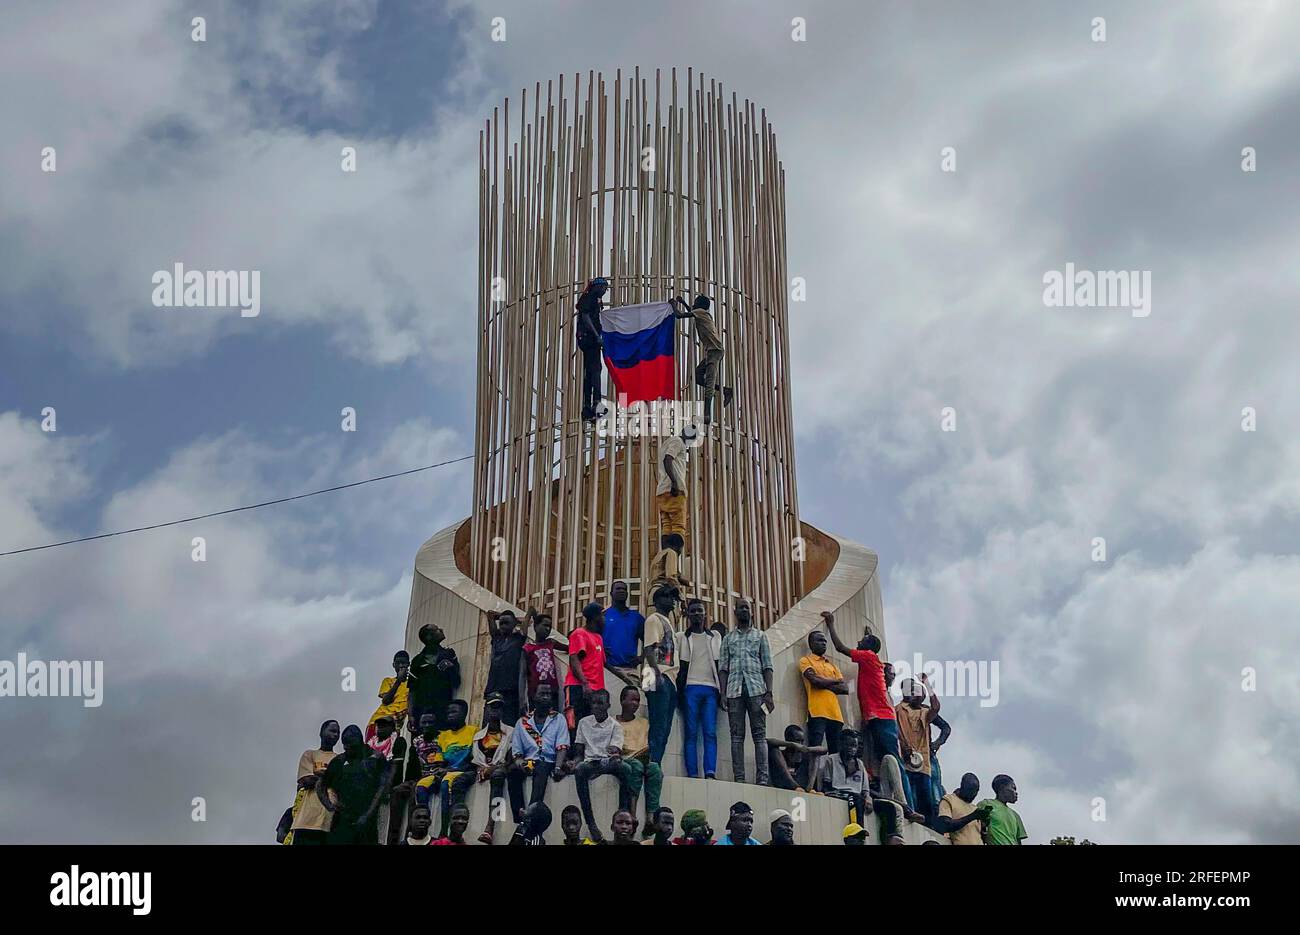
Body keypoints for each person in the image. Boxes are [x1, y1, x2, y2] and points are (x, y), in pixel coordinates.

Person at [821, 612, 899, 775]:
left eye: (861, 641)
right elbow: (870, 646)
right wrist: (868, 636)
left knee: (892, 759)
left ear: (868, 648)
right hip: (876, 717)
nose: (857, 642)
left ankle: (903, 795)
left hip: (882, 717)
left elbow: (839, 648)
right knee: (881, 758)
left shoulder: (869, 657)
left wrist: (831, 624)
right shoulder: (871, 658)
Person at [718, 598, 774, 785]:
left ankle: (762, 779)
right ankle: (739, 778)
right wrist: (723, 693)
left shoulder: (760, 636)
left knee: (759, 735)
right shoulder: (728, 639)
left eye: (746, 608)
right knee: (736, 736)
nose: (743, 611)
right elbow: (723, 668)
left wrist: (769, 692)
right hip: (734, 691)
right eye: (740, 608)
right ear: (735, 612)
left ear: (751, 612)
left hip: (757, 690)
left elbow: (768, 666)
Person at [565, 688, 626, 842]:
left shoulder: (615, 726)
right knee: (580, 769)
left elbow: (615, 751)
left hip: (608, 762)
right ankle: (591, 823)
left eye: (600, 703)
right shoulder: (584, 722)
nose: (596, 706)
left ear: (608, 705)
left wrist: (615, 755)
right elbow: (579, 754)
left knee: (626, 768)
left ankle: (623, 815)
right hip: (589, 763)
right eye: (594, 703)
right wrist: (574, 762)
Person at [317, 724, 391, 845]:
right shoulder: (339, 761)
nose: (347, 748)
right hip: (342, 821)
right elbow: (321, 784)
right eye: (344, 745)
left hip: (367, 821)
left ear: (360, 742)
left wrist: (367, 815)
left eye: (350, 745)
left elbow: (382, 788)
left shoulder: (376, 758)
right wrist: (329, 805)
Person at [507, 684, 570, 819]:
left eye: (549, 694)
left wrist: (558, 767)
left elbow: (562, 746)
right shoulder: (522, 722)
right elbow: (517, 753)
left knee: (541, 768)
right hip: (529, 762)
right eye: (542, 694)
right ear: (533, 697)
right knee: (512, 771)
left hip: (549, 762)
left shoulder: (558, 719)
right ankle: (519, 815)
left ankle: (532, 810)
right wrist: (520, 763)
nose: (546, 697)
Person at [675, 598, 722, 779]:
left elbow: (721, 664)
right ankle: (693, 773)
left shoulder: (715, 637)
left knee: (710, 732)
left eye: (699, 611)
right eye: (693, 611)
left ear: (705, 613)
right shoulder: (681, 637)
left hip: (711, 689)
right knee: (691, 733)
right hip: (690, 689)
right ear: (687, 614)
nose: (696, 614)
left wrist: (722, 692)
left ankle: (710, 772)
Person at [670, 293, 732, 423]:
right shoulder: (701, 313)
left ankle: (707, 415)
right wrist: (684, 303)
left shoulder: (700, 312)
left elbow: (679, 315)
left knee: (709, 381)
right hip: (713, 351)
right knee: (697, 377)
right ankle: (725, 390)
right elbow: (691, 312)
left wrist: (674, 305)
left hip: (715, 351)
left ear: (700, 305)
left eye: (695, 301)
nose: (694, 303)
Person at [614, 685, 662, 836]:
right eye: (632, 699)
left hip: (642, 758)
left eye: (638, 700)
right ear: (622, 701)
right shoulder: (613, 722)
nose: (635, 703)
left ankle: (650, 819)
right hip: (624, 760)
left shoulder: (644, 722)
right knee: (635, 766)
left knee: (655, 769)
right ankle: (632, 816)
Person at [641, 585, 679, 766]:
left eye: (672, 597)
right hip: (655, 673)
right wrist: (657, 674)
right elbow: (648, 648)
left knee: (665, 727)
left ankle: (656, 762)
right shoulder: (653, 619)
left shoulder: (668, 621)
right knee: (658, 723)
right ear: (656, 601)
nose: (671, 600)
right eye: (667, 596)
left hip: (667, 676)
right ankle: (653, 763)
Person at [286, 719, 340, 845]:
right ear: (321, 732)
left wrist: (319, 774)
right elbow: (306, 780)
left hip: (329, 821)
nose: (336, 735)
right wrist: (329, 778)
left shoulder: (340, 759)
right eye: (332, 731)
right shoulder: (310, 755)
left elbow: (340, 783)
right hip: (306, 821)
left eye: (338, 732)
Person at [799, 630, 848, 769]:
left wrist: (824, 682)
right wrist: (834, 681)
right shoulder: (805, 660)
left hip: (836, 715)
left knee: (836, 754)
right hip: (817, 712)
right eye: (820, 640)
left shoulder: (832, 665)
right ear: (811, 643)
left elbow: (844, 688)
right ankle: (813, 784)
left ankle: (834, 785)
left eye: (825, 641)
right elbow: (814, 681)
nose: (824, 643)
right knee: (815, 749)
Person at [895, 674, 940, 826]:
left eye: (918, 693)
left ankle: (929, 830)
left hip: (923, 764)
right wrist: (903, 745)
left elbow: (936, 708)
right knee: (909, 797)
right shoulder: (899, 709)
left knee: (926, 800)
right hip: (905, 760)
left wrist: (927, 683)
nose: (914, 695)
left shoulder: (924, 712)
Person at [471, 691, 515, 844]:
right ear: (486, 710)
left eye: (498, 707)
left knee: (498, 775)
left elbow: (511, 758)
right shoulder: (477, 736)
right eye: (492, 707)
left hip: (502, 771)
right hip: (482, 772)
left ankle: (491, 826)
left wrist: (493, 768)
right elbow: (476, 761)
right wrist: (484, 769)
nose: (495, 710)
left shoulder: (511, 732)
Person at [431, 699, 478, 836]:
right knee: (420, 787)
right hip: (447, 771)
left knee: (446, 783)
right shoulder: (442, 736)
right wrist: (440, 771)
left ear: (464, 714)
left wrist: (449, 771)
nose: (450, 715)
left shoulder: (474, 731)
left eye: (454, 712)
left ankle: (446, 830)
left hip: (465, 771)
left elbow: (473, 760)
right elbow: (440, 762)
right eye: (448, 713)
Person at [407, 623, 460, 733]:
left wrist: (450, 667)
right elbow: (412, 691)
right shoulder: (417, 661)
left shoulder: (449, 654)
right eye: (437, 630)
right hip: (422, 713)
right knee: (421, 745)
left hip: (442, 710)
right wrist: (411, 715)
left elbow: (456, 682)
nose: (441, 629)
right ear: (429, 637)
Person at [564, 602, 606, 731]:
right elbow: (574, 659)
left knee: (591, 728)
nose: (604, 620)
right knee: (574, 725)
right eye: (602, 616)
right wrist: (585, 683)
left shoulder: (598, 637)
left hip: (596, 690)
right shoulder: (579, 634)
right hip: (579, 687)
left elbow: (604, 663)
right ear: (595, 617)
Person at [819, 728, 871, 826]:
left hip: (857, 796)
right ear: (841, 744)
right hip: (836, 792)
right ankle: (857, 829)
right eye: (848, 745)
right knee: (856, 799)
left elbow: (865, 790)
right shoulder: (831, 760)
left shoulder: (860, 764)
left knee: (889, 806)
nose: (852, 749)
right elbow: (826, 785)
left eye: (854, 746)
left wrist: (868, 798)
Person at [485, 609, 527, 726]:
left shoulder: (518, 638)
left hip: (511, 689)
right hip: (493, 687)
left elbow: (526, 622)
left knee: (509, 723)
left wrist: (519, 620)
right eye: (501, 623)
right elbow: (490, 614)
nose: (503, 626)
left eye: (506, 623)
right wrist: (501, 616)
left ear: (514, 624)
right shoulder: (496, 638)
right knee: (490, 723)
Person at [576, 277, 609, 422]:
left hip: (588, 339)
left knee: (590, 373)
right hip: (589, 339)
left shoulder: (594, 299)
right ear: (596, 287)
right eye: (602, 288)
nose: (604, 291)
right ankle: (596, 403)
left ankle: (587, 407)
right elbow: (585, 317)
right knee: (596, 370)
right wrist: (597, 336)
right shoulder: (589, 297)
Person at [602, 580, 645, 684]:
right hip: (607, 670)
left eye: (624, 589)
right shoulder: (603, 616)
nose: (621, 591)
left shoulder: (636, 618)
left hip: (630, 671)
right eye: (618, 588)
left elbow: (650, 642)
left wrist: (641, 658)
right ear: (611, 593)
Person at [655, 426, 692, 544]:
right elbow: (668, 459)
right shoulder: (678, 442)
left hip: (662, 491)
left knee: (666, 525)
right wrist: (674, 482)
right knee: (678, 525)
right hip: (674, 490)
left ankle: (666, 551)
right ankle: (674, 551)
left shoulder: (667, 443)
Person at [522, 609, 565, 707]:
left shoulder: (551, 642)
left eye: (549, 626)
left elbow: (569, 648)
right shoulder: (528, 648)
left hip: (552, 691)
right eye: (545, 625)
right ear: (535, 627)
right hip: (535, 692)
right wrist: (529, 615)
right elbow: (522, 634)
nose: (548, 629)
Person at [366, 651, 410, 741]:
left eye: (404, 663)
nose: (401, 665)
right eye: (398, 663)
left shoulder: (412, 683)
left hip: (394, 726)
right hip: (377, 722)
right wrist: (398, 681)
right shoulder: (388, 681)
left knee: (388, 753)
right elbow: (386, 701)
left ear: (408, 664)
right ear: (393, 665)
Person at [767, 724, 825, 792]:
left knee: (815, 755)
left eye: (802, 741)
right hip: (785, 785)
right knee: (774, 751)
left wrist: (807, 749)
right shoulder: (781, 754)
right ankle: (794, 786)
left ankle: (810, 788)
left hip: (803, 787)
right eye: (797, 740)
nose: (800, 744)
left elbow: (824, 750)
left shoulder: (804, 756)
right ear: (788, 739)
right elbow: (767, 741)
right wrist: (792, 744)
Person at [936, 773, 988, 846]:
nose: (974, 794)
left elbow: (982, 837)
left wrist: (984, 827)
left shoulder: (975, 808)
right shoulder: (949, 799)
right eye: (970, 790)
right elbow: (945, 825)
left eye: (976, 791)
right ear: (962, 786)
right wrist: (972, 816)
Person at [978, 775, 1027, 845]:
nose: (1016, 792)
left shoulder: (1015, 815)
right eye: (1013, 788)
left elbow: (1018, 841)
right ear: (1002, 788)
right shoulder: (986, 804)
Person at [647, 533, 690, 602]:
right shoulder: (671, 553)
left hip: (653, 591)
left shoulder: (659, 555)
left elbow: (672, 575)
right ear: (678, 546)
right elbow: (670, 577)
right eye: (681, 549)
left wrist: (685, 582)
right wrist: (680, 596)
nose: (680, 552)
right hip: (663, 593)